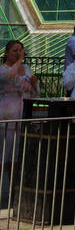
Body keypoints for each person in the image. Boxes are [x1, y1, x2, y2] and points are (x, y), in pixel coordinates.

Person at [0, 39, 40, 178]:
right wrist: (19, 61)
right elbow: (10, 76)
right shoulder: (3, 69)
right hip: (7, 116)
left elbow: (35, 94)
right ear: (7, 53)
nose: (18, 53)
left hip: (23, 115)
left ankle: (14, 186)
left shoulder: (26, 69)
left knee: (17, 154)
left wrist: (34, 85)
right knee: (4, 152)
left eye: (20, 50)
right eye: (15, 50)